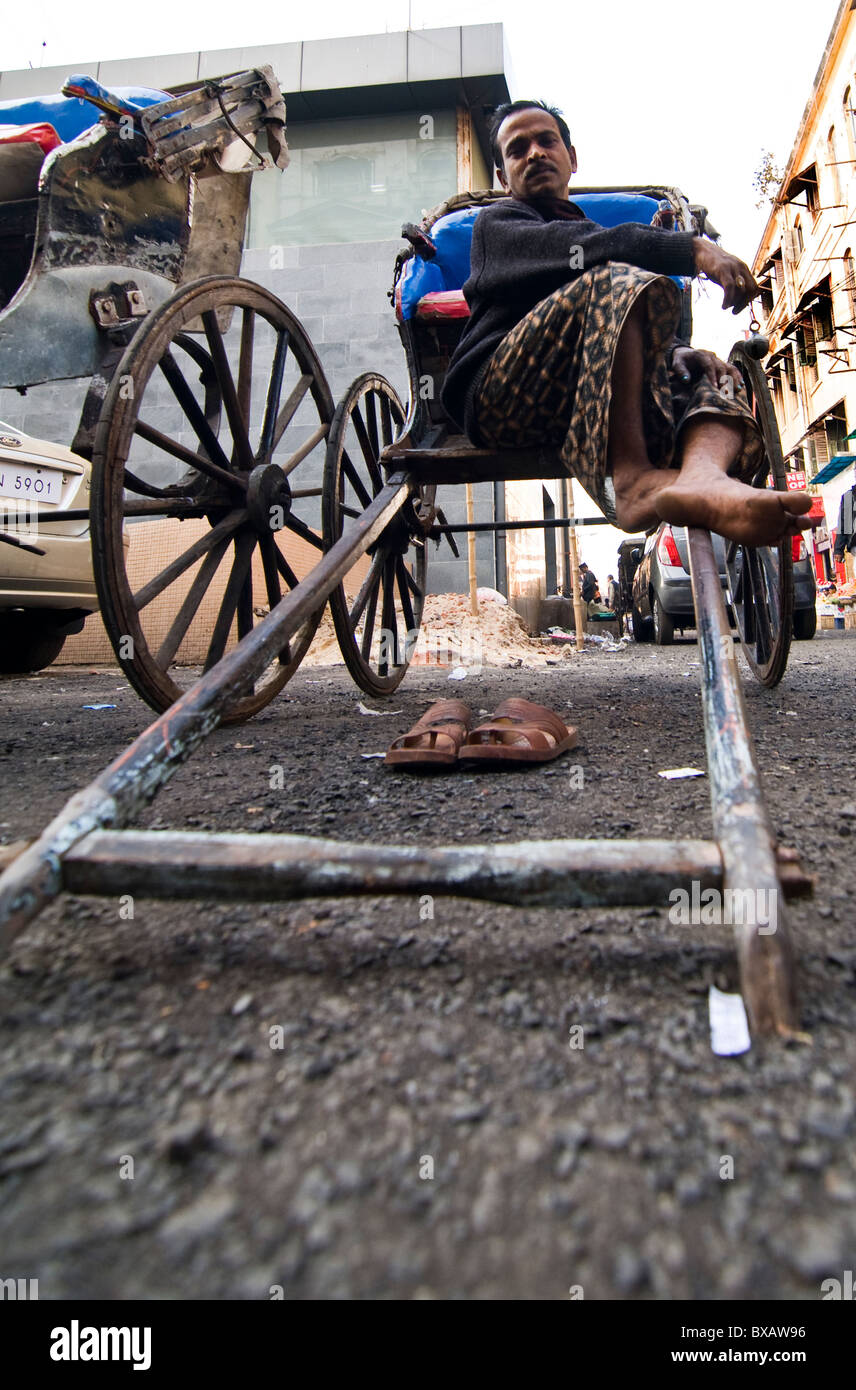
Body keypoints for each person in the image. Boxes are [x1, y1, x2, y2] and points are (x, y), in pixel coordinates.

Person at [441, 100, 815, 550]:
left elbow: (609, 304)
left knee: (718, 375)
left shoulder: (594, 238)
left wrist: (677, 349)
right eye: (518, 149)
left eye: (547, 141)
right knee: (619, 277)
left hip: (584, 406)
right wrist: (694, 249)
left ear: (571, 158)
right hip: (498, 398)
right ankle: (634, 480)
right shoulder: (497, 224)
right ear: (503, 177)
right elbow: (591, 251)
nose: (535, 153)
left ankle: (705, 477)